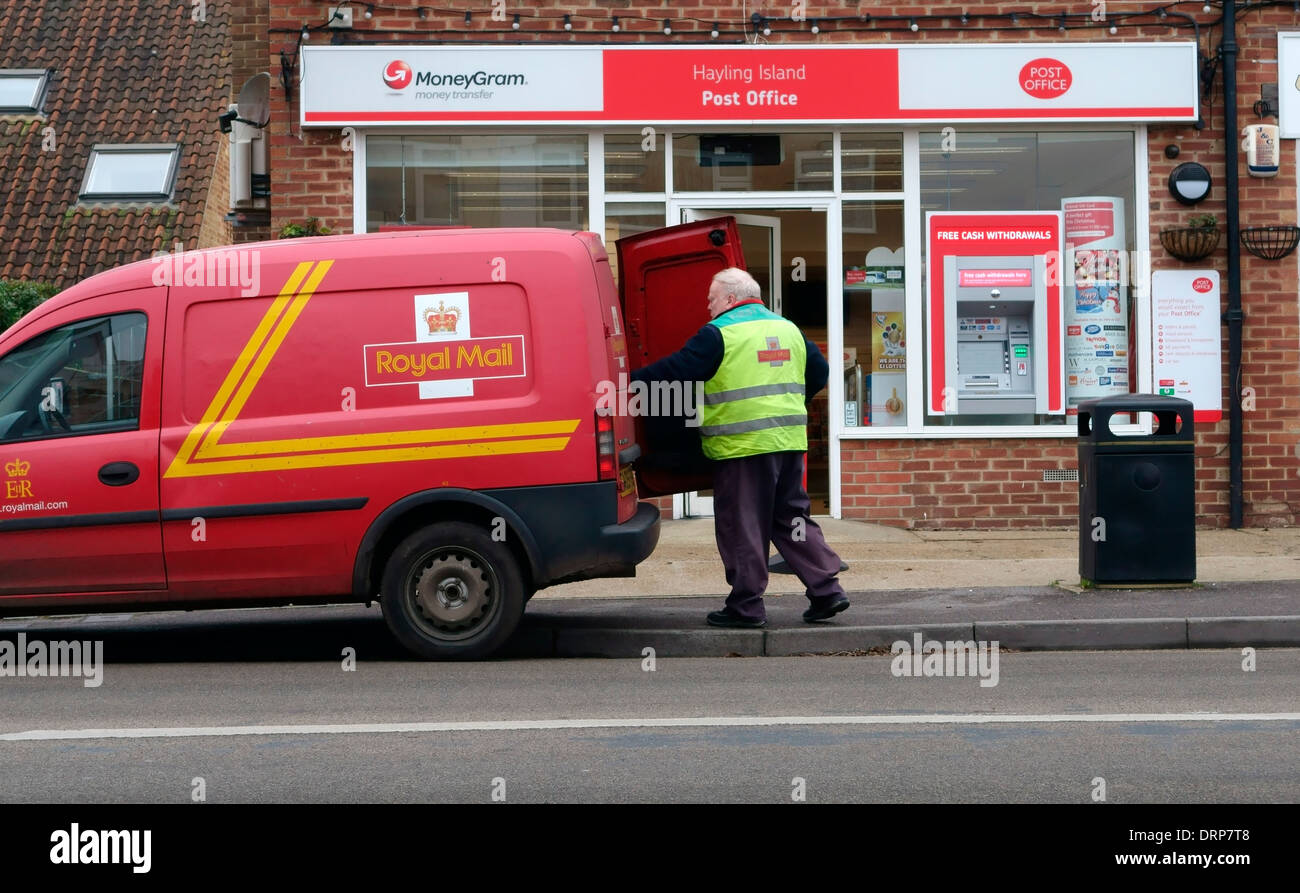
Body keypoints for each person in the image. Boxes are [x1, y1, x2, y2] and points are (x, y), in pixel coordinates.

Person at [630, 267, 850, 628]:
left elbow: (674, 372)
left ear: (731, 299)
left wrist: (626, 379)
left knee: (742, 524)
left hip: (743, 448)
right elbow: (820, 372)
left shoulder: (719, 334)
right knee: (792, 518)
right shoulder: (788, 328)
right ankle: (827, 591)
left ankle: (746, 607)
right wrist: (789, 405)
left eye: (711, 299)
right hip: (789, 443)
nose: (708, 307)